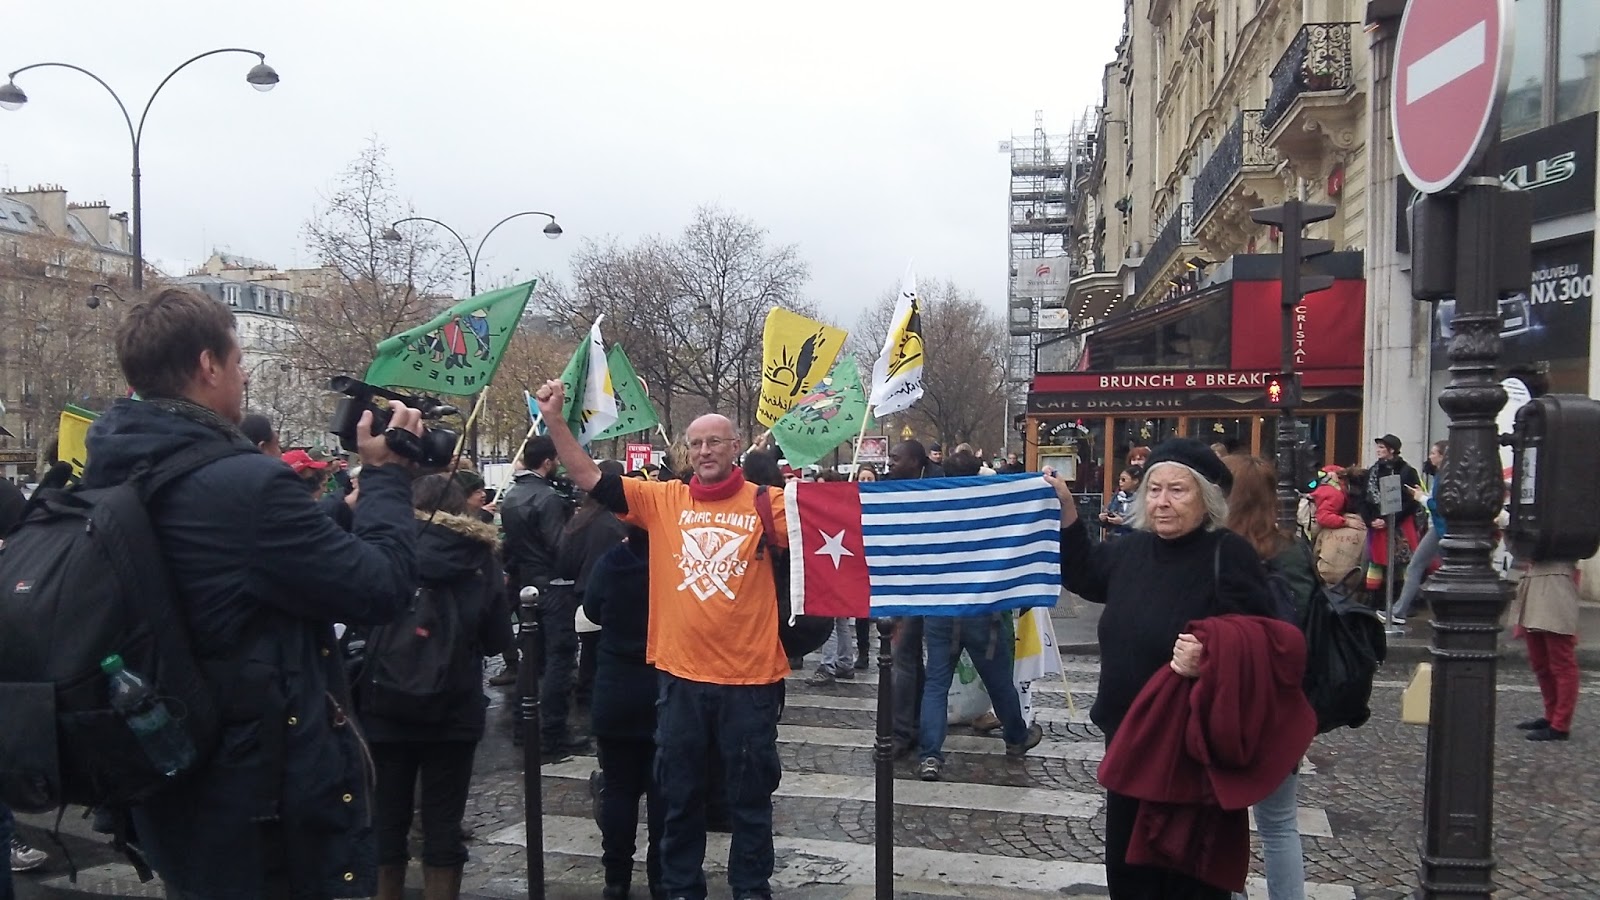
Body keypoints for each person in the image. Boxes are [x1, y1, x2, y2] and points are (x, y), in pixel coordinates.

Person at [81, 287, 422, 899]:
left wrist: (332, 522)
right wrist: (389, 479)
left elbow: (226, 569)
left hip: (175, 778)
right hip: (265, 802)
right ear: (208, 365)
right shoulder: (246, 484)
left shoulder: (114, 467)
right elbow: (383, 588)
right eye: (238, 363)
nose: (243, 377)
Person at [533, 379, 787, 900]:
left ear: (735, 446)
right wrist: (554, 418)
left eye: (715, 442)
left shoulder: (768, 504)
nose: (704, 451)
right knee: (678, 799)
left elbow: (844, 529)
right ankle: (679, 889)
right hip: (679, 682)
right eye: (695, 444)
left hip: (749, 683)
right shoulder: (662, 501)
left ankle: (751, 890)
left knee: (749, 802)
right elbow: (588, 476)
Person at [1046, 437, 1273, 898]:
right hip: (1129, 741)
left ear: (1205, 499)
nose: (1162, 502)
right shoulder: (1133, 551)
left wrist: (1211, 654)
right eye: (1154, 490)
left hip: (1189, 753)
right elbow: (1085, 571)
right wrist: (1067, 510)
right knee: (1129, 876)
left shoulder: (1228, 555)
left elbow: (1266, 640)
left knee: (1185, 879)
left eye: (1177, 490)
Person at [362, 474, 511, 900]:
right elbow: (499, 638)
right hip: (454, 704)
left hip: (385, 702)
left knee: (387, 819)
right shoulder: (479, 556)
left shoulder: (389, 547)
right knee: (443, 823)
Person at [915, 448, 1041, 780]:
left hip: (940, 606)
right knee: (999, 681)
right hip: (982, 610)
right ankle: (1016, 736)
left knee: (936, 685)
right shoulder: (993, 505)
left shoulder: (934, 506)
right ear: (978, 470)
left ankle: (930, 754)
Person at [1221, 455, 1316, 900]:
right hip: (1283, 701)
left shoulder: (1219, 550)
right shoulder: (1292, 549)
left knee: (1223, 817)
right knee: (1280, 823)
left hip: (1231, 701)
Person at [584, 524, 666, 900]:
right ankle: (660, 877)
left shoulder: (611, 562)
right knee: (663, 792)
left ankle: (616, 876)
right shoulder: (673, 562)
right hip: (662, 688)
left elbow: (591, 609)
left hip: (616, 686)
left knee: (618, 791)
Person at [499, 437, 586, 756]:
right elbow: (559, 547)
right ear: (547, 462)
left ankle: (524, 725)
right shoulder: (547, 498)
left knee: (532, 659)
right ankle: (552, 729)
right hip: (552, 585)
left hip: (528, 586)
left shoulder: (513, 494)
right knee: (558, 659)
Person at [558, 461, 630, 711]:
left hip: (581, 598)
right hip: (606, 602)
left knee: (589, 657)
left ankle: (584, 698)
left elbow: (565, 563)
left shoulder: (580, 520)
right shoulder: (612, 525)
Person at [886, 440, 942, 757]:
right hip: (905, 586)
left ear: (915, 461)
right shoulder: (890, 486)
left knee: (921, 665)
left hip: (936, 585)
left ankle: (916, 730)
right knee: (905, 660)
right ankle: (906, 730)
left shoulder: (941, 484)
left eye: (896, 458)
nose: (890, 463)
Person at [1511, 559, 1582, 742]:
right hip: (1534, 578)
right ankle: (1551, 716)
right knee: (1540, 661)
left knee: (1561, 661)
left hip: (1557, 581)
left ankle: (1560, 724)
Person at [1384, 441, 1447, 626]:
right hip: (1439, 527)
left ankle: (1402, 609)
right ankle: (1399, 610)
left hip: (1444, 528)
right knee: (1417, 566)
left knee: (1425, 567)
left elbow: (1441, 506)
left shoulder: (1444, 477)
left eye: (1434, 453)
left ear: (1443, 456)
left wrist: (1422, 499)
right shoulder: (1441, 476)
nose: (1430, 456)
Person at [1360, 434, 1422, 593]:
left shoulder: (1407, 471)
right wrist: (1370, 520)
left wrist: (1388, 520)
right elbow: (1363, 499)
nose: (1378, 450)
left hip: (1400, 524)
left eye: (1382, 447)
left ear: (1392, 450)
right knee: (1376, 562)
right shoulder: (1372, 472)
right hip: (1376, 525)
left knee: (1404, 562)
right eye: (1378, 447)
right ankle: (1374, 598)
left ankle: (1406, 599)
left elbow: (1412, 501)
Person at [1098, 465, 1142, 539]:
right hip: (1115, 539)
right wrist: (1104, 518)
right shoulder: (1117, 497)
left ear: (1135, 481)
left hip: (1134, 540)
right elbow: (1109, 513)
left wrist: (1123, 522)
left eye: (1123, 480)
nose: (1120, 482)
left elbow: (1142, 523)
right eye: (1119, 479)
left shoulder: (1142, 499)